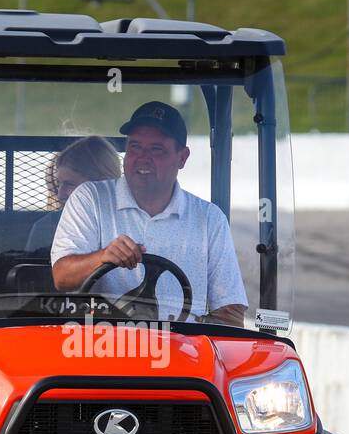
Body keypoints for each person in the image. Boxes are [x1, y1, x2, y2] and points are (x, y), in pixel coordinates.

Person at [50, 101, 247, 326]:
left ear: (182, 158)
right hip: (99, 347)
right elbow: (62, 276)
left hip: (181, 349)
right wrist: (102, 257)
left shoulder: (210, 219)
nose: (143, 158)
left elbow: (230, 312)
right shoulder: (90, 198)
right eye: (135, 147)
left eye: (156, 149)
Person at [25, 136, 121, 254]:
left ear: (100, 185)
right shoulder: (45, 228)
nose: (60, 194)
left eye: (70, 184)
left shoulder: (132, 221)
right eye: (59, 183)